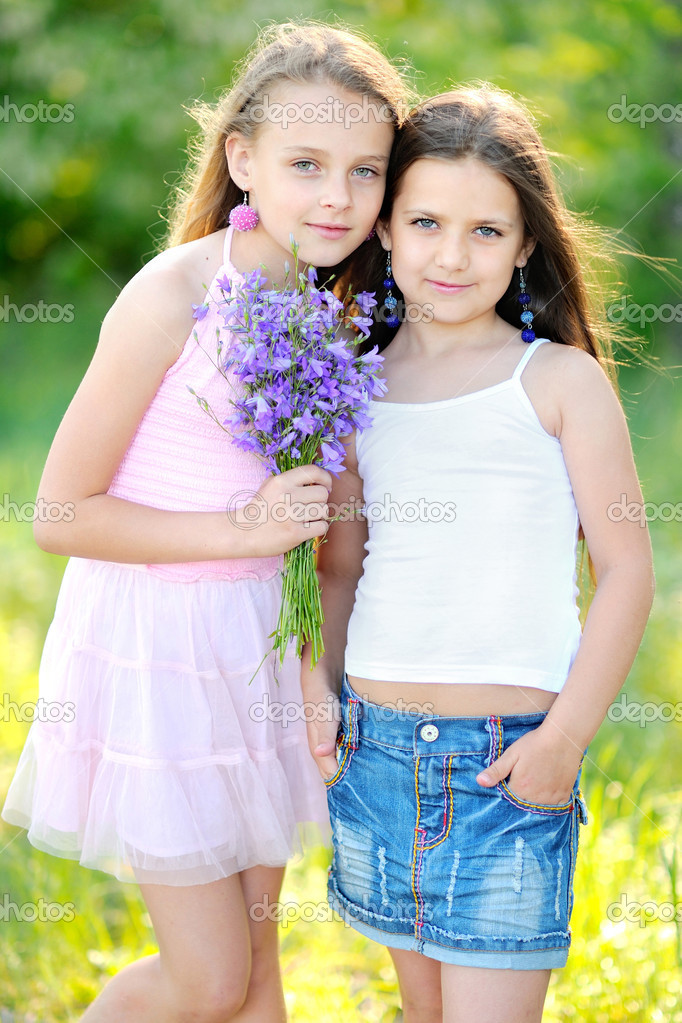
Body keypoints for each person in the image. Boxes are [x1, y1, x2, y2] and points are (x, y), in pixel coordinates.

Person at [1, 22, 410, 1023]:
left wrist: (316, 678)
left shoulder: (319, 314)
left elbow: (312, 547)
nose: (336, 197)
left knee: (261, 982)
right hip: (162, 655)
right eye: (305, 165)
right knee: (209, 979)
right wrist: (241, 532)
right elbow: (59, 512)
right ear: (241, 161)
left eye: (364, 172)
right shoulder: (176, 295)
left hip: (256, 655)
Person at [302, 87, 655, 1023]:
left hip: (508, 767)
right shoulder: (354, 386)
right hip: (374, 753)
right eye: (424, 222)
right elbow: (339, 567)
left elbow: (627, 571)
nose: (450, 257)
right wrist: (319, 696)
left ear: (527, 244)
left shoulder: (559, 384)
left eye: (486, 232)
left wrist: (565, 741)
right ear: (385, 231)